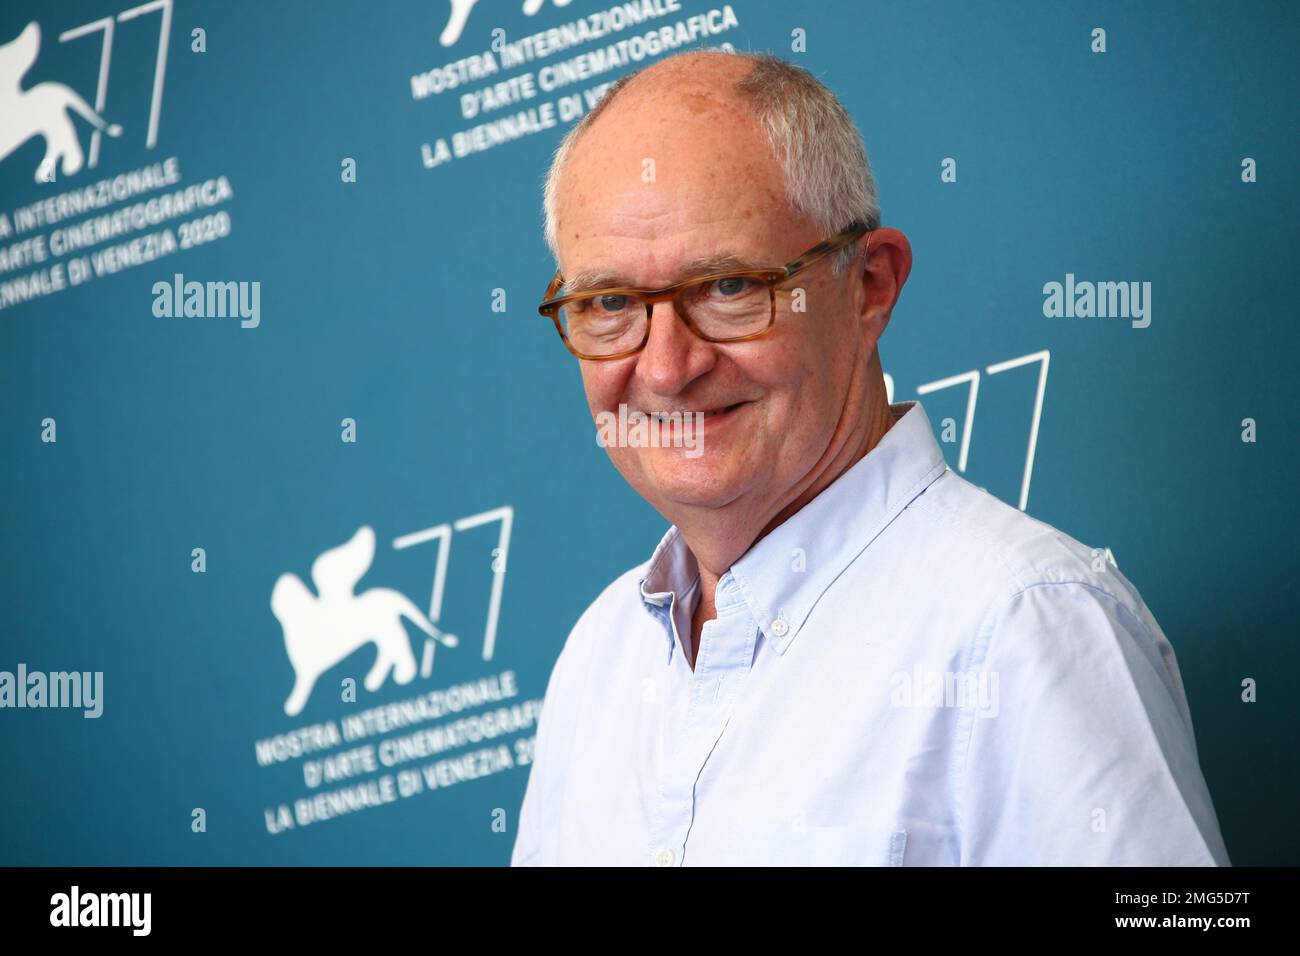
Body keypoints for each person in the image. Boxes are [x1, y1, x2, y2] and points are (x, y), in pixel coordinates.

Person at [511, 49, 1229, 866]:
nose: (669, 368)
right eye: (609, 303)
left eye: (730, 288)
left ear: (869, 287)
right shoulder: (600, 658)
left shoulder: (1026, 625)